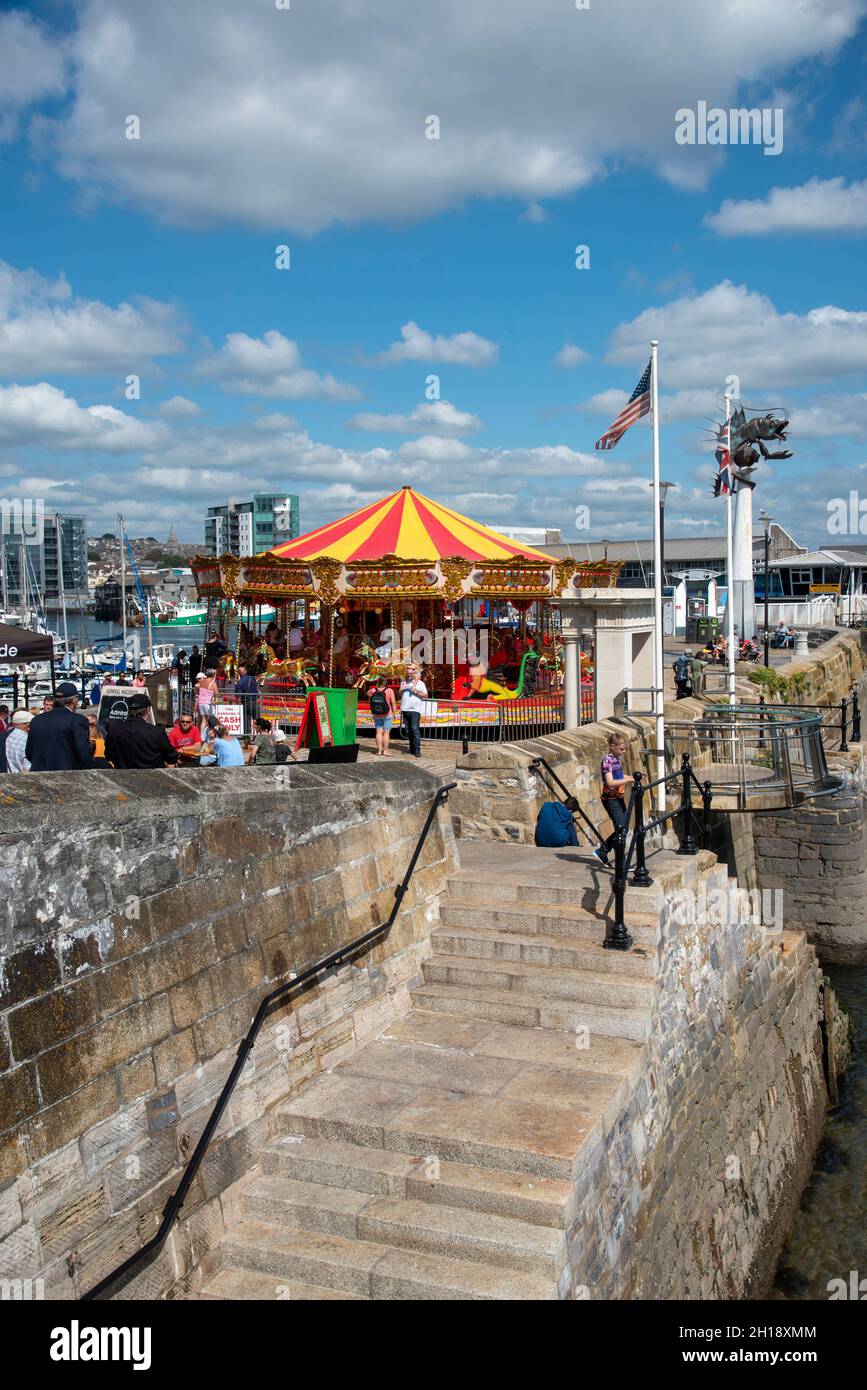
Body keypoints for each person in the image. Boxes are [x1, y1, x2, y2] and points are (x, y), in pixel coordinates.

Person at [25, 682, 92, 772]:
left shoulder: (36, 720)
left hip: (39, 773)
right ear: (74, 700)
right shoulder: (77, 720)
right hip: (65, 776)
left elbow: (29, 753)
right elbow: (83, 755)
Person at [593, 732, 635, 869]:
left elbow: (619, 775)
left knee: (623, 827)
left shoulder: (615, 759)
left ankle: (603, 851)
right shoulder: (607, 760)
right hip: (610, 798)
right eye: (621, 749)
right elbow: (610, 782)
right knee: (621, 828)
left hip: (618, 797)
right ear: (612, 746)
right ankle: (619, 863)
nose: (624, 752)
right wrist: (629, 779)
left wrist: (633, 777)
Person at [104, 694, 179, 769]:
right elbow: (172, 757)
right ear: (148, 710)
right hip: (151, 777)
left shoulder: (113, 730)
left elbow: (109, 755)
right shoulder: (156, 732)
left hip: (123, 777)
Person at [399, 664, 427, 757]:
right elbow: (399, 694)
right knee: (408, 730)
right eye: (408, 673)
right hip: (405, 708)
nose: (409, 674)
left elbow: (425, 695)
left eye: (410, 672)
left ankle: (417, 750)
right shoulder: (404, 682)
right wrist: (401, 690)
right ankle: (412, 748)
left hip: (415, 709)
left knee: (414, 729)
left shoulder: (420, 683)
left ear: (415, 672)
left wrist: (416, 692)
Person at [369, 676, 397, 756]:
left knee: (378, 732)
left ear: (377, 682)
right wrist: (395, 713)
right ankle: (385, 751)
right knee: (386, 733)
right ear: (386, 682)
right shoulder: (389, 690)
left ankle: (378, 751)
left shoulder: (373, 690)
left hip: (376, 714)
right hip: (387, 714)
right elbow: (393, 702)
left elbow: (367, 694)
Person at [195, 668, 218, 734]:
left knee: (204, 720)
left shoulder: (202, 682)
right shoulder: (213, 683)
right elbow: (217, 693)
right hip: (208, 703)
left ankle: (202, 735)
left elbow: (197, 687)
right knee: (212, 719)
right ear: (213, 675)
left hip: (201, 702)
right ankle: (211, 734)